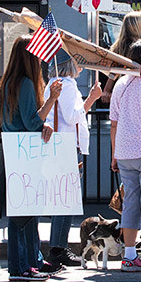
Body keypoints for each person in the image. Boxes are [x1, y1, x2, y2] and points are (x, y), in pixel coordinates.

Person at [0, 35, 61, 281]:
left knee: (26, 211)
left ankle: (32, 261)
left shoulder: (10, 82)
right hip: (24, 152)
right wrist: (52, 99)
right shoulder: (24, 84)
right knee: (23, 214)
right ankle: (20, 266)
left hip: (15, 151)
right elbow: (33, 122)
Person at [40, 51, 101, 267]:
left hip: (60, 144)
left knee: (62, 199)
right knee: (64, 200)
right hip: (65, 145)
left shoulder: (56, 83)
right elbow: (73, 116)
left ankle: (58, 247)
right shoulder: (67, 84)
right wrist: (92, 99)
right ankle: (58, 248)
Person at [108, 39, 141, 273]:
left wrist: (114, 155)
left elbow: (114, 123)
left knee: (130, 202)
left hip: (125, 151)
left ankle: (129, 256)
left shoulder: (121, 84)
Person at [100, 10, 141, 105]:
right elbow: (114, 71)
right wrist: (107, 90)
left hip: (123, 92)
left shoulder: (118, 46)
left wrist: (107, 90)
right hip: (136, 92)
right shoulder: (139, 48)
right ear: (136, 26)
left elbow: (113, 72)